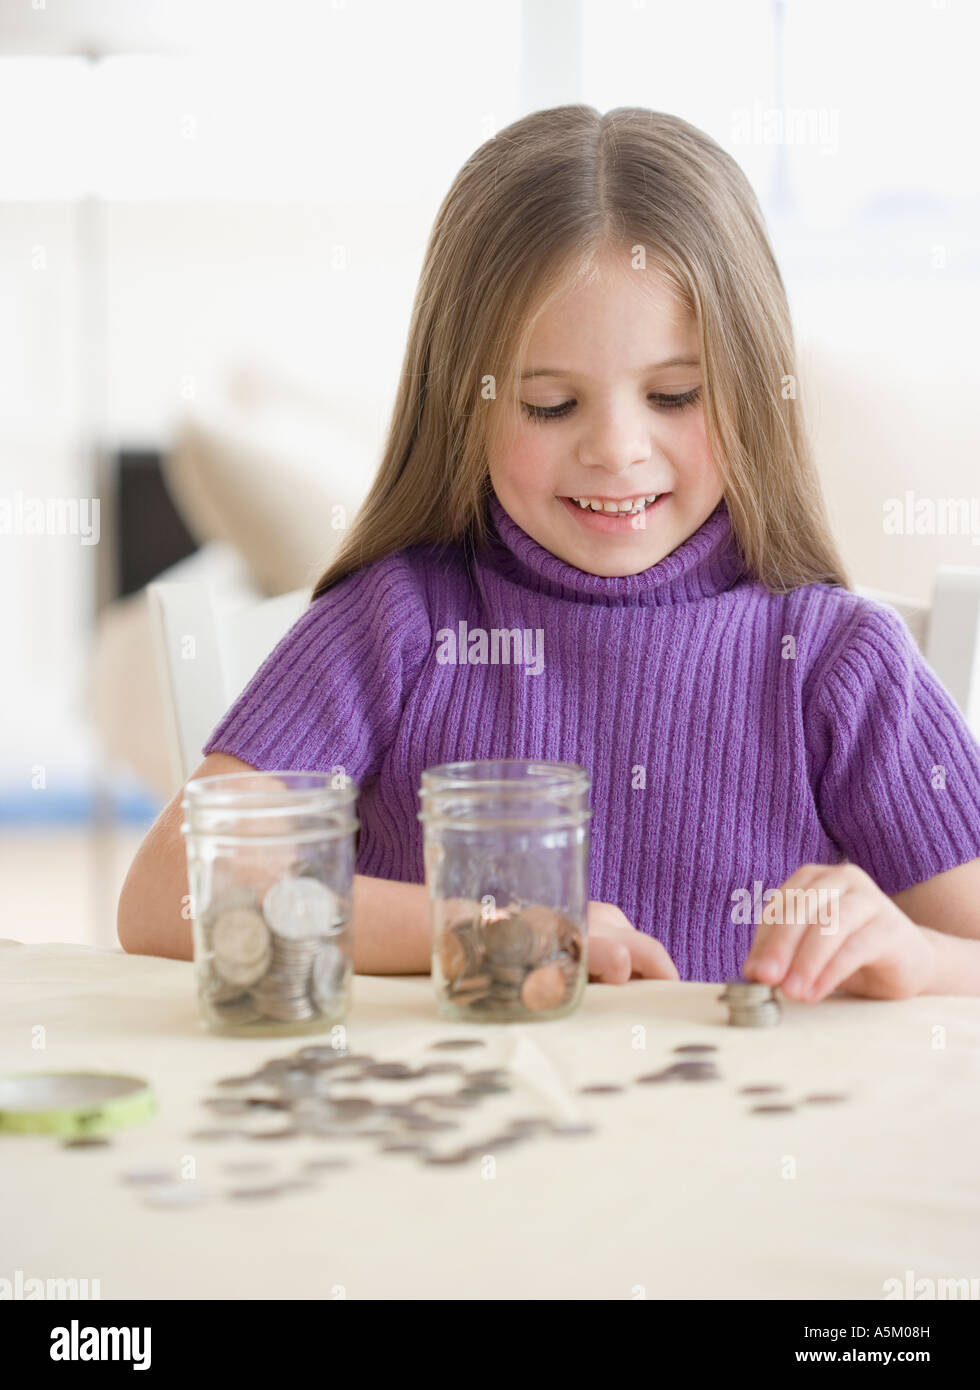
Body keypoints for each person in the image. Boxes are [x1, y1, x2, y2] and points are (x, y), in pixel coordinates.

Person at [118, 105, 980, 999]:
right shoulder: (396, 627)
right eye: (549, 405)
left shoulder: (839, 666)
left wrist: (916, 959)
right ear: (466, 405)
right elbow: (166, 895)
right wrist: (491, 925)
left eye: (676, 395)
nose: (616, 448)